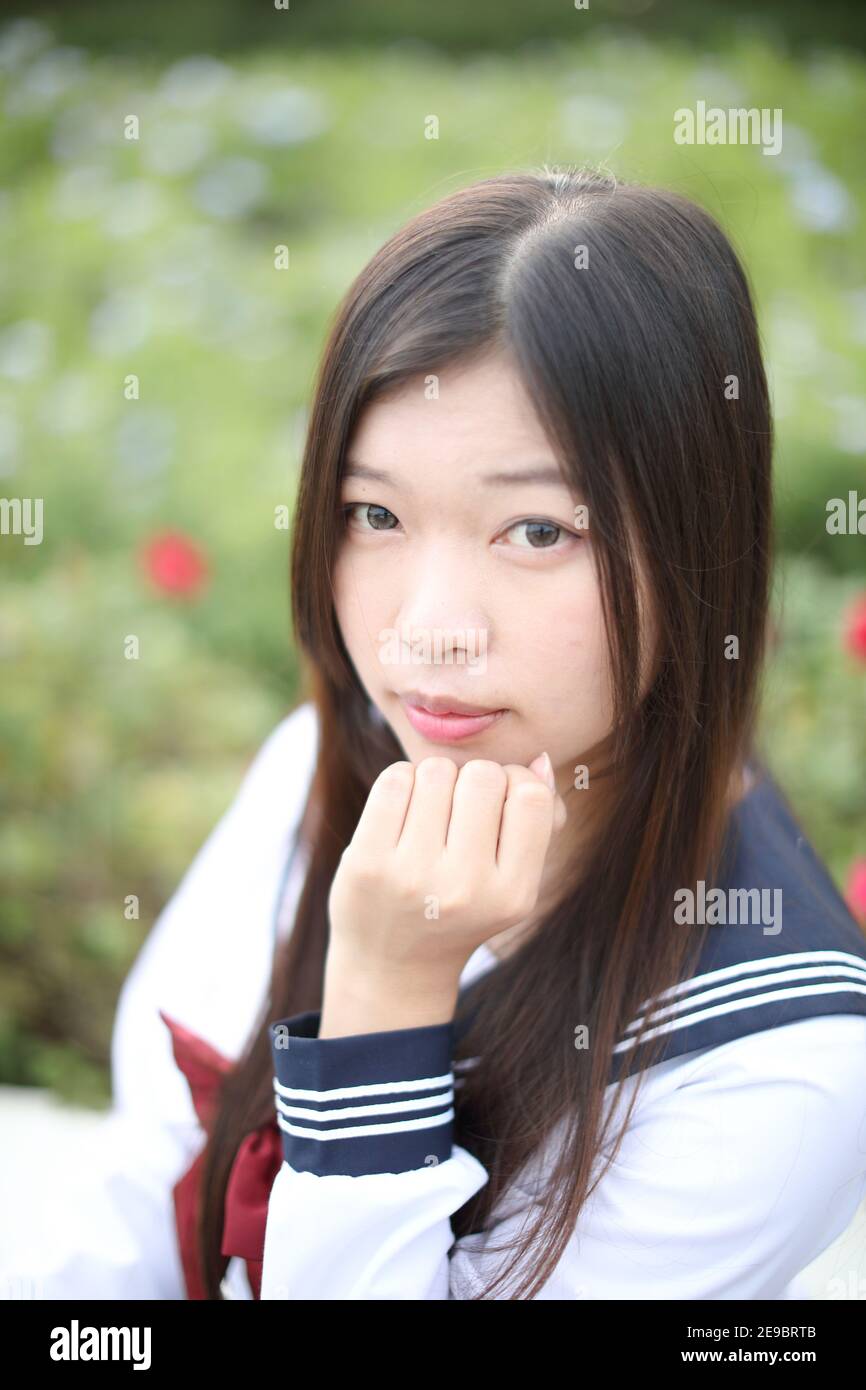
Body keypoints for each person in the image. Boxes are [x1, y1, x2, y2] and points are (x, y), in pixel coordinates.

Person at [4, 166, 865, 1301]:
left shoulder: (771, 1064)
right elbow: (141, 1197)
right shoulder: (342, 757)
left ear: (695, 537)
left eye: (536, 529)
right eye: (375, 514)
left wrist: (385, 997)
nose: (427, 633)